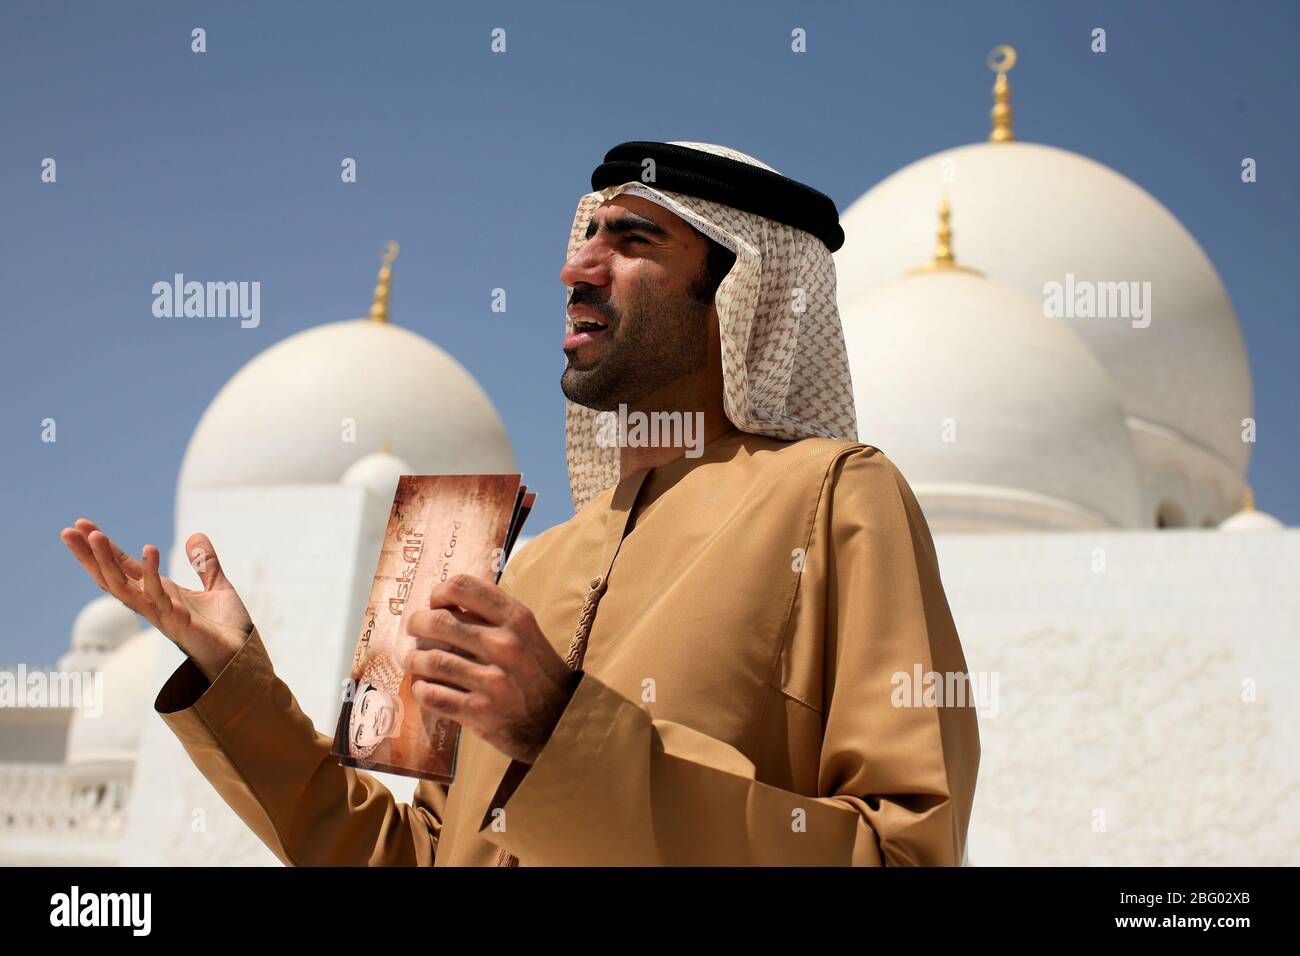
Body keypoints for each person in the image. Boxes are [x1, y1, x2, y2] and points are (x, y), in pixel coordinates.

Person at [60, 140, 980, 866]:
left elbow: (903, 851)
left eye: (633, 240)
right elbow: (410, 856)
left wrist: (564, 733)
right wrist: (236, 686)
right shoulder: (533, 563)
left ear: (740, 295)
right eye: (587, 235)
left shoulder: (831, 499)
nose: (578, 268)